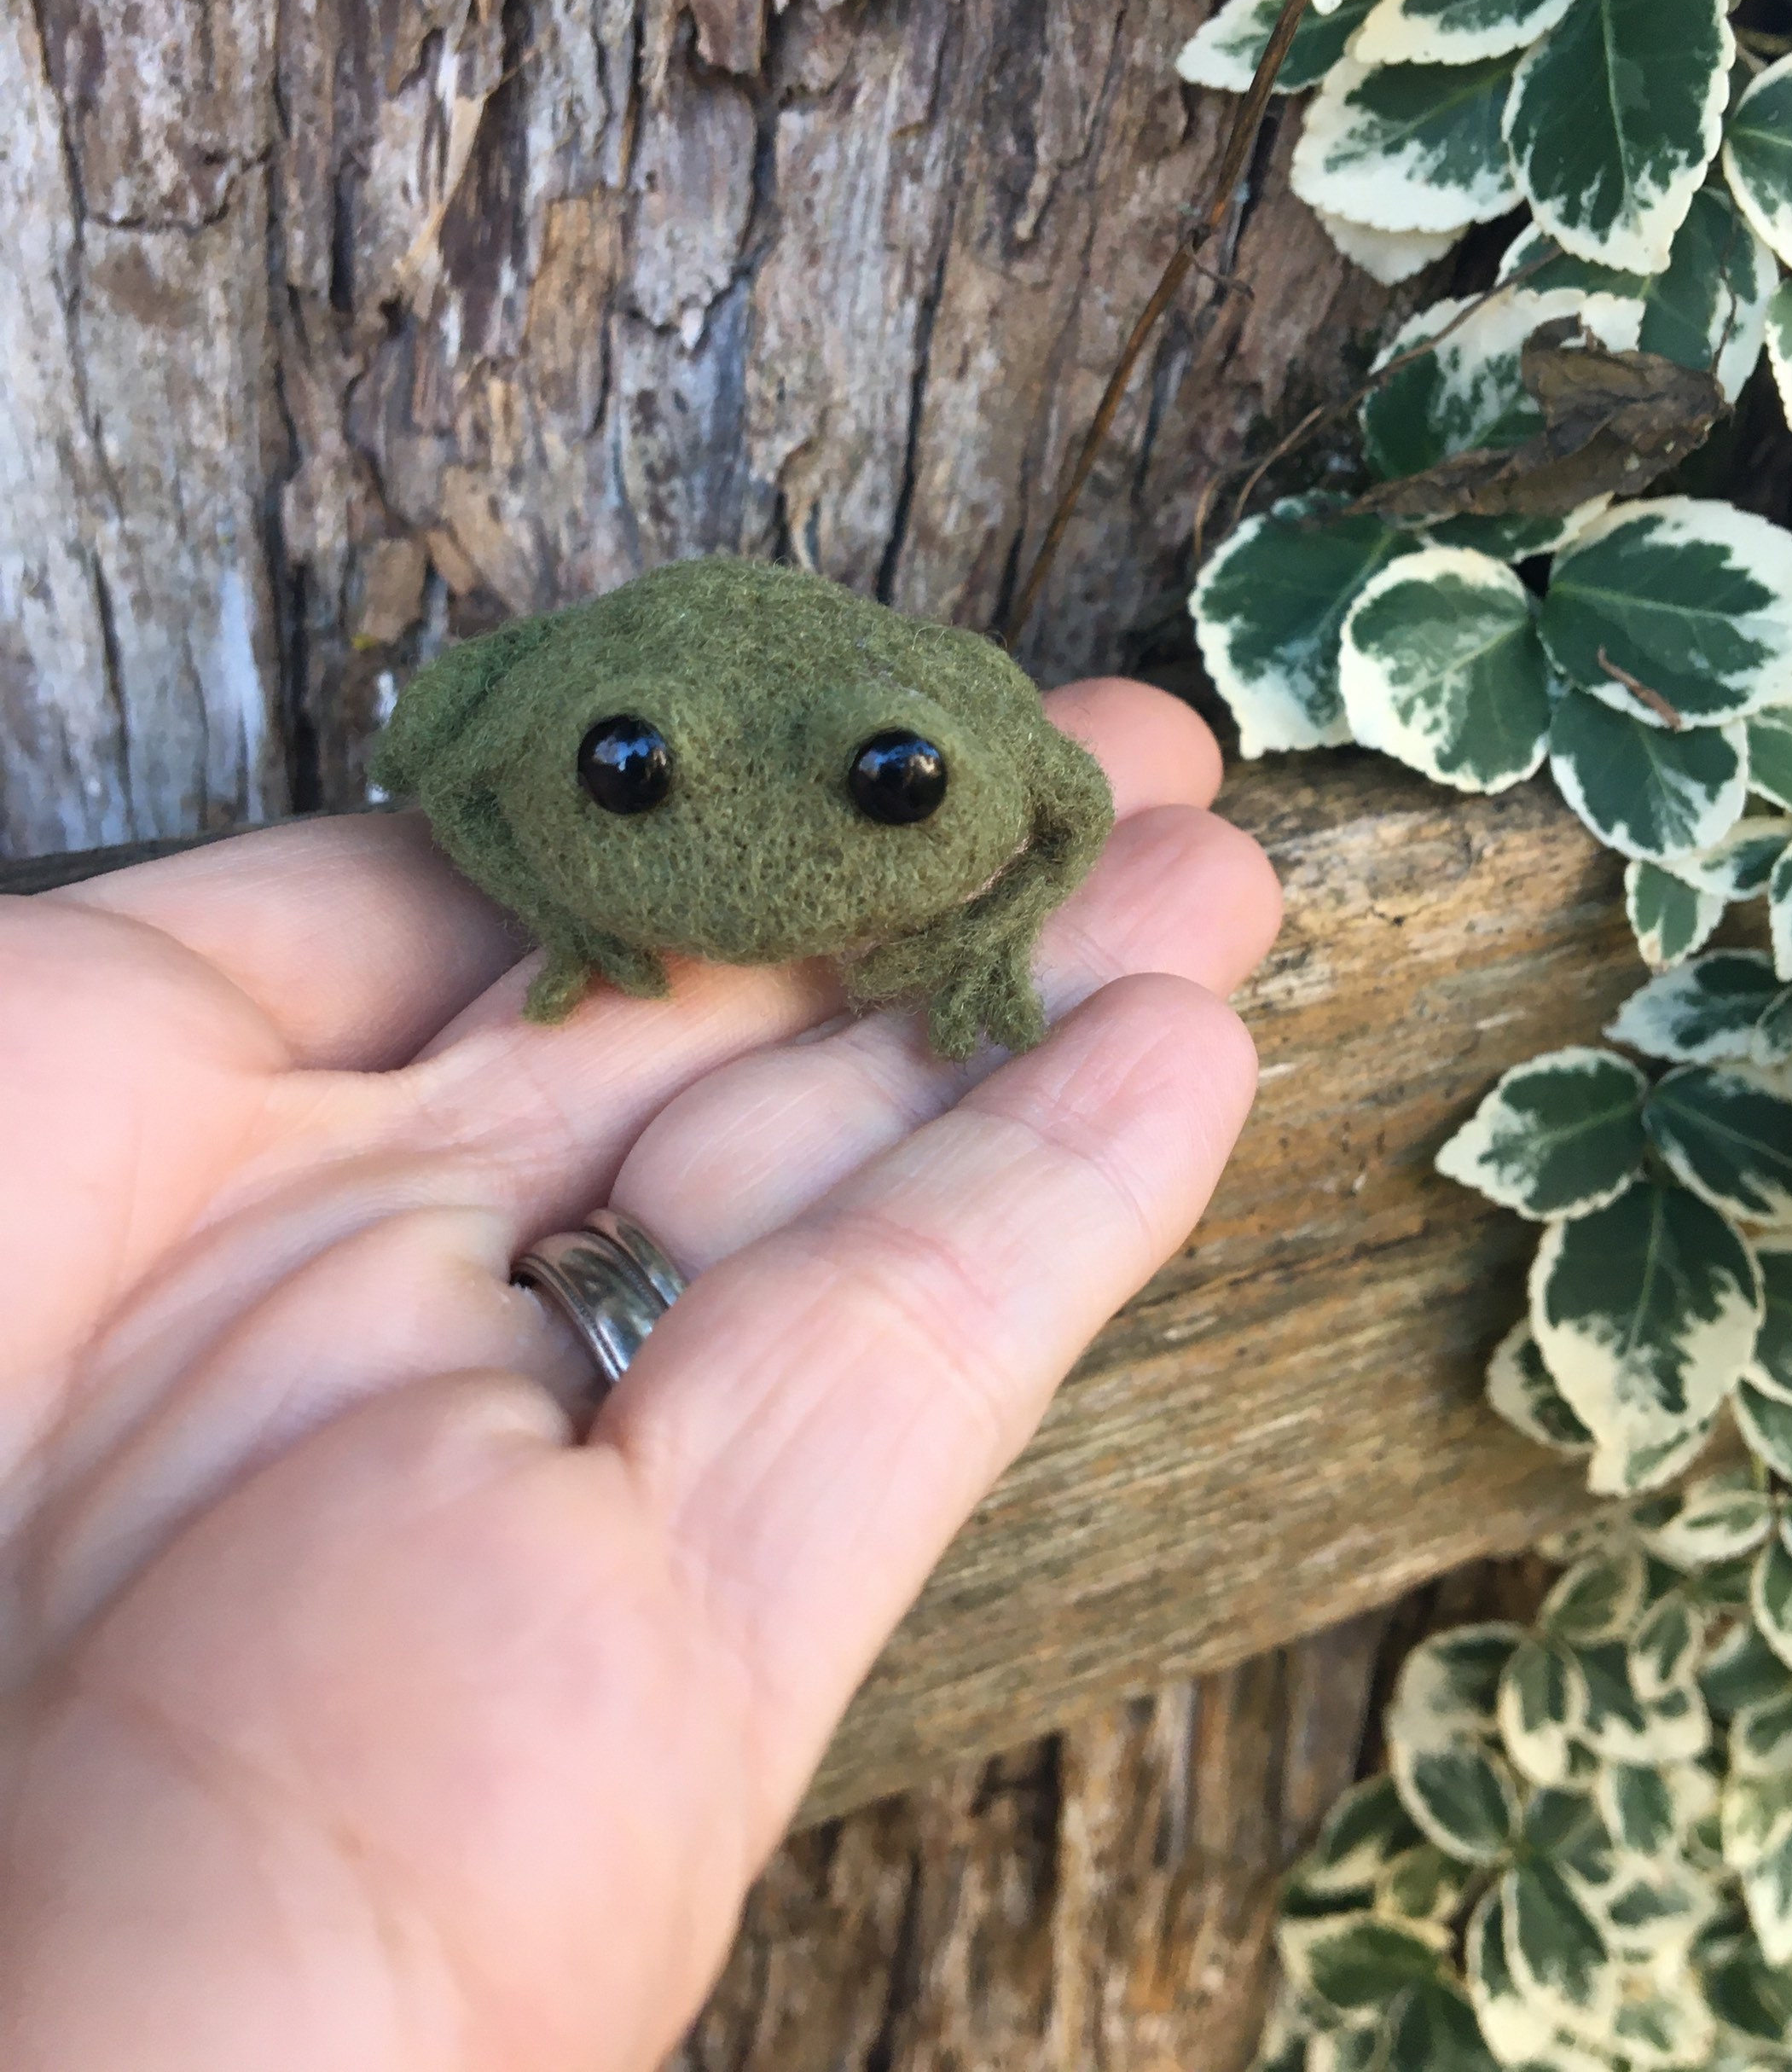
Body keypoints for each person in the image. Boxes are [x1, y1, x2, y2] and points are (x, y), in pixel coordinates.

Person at [0, 676, 1282, 2069]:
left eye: (896, 782)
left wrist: (988, 939)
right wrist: (561, 898)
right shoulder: (528, 729)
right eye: (630, 769)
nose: (744, 871)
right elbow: (437, 735)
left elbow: (1074, 794)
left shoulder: (1010, 769)